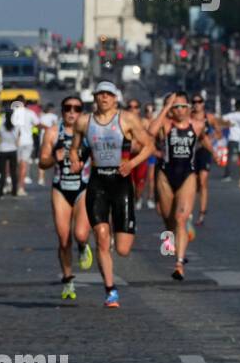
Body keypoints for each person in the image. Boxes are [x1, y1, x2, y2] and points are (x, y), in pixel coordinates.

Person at [69, 80, 153, 309]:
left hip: (122, 182)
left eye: (108, 94)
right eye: (100, 94)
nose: (104, 98)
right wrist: (75, 161)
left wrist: (132, 164)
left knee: (124, 249)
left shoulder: (127, 119)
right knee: (102, 237)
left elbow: (149, 145)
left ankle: (129, 239)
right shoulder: (84, 121)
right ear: (95, 97)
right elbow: (74, 148)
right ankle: (110, 290)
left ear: (115, 98)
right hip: (98, 181)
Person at [147, 91, 213, 281]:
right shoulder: (166, 126)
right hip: (166, 175)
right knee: (168, 218)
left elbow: (204, 140)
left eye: (184, 106)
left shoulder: (198, 125)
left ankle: (179, 263)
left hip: (187, 175)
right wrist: (165, 107)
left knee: (181, 218)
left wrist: (214, 153)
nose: (180, 110)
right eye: (176, 107)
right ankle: (169, 236)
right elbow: (151, 132)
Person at [38, 94, 92, 300]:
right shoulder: (53, 133)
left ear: (82, 112)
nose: (71, 112)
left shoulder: (89, 132)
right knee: (63, 239)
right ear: (62, 111)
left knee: (79, 233)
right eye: (67, 108)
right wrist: (54, 158)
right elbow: (42, 162)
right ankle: (68, 280)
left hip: (83, 187)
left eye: (76, 109)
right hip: (61, 188)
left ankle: (83, 246)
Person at [189, 94, 220, 225]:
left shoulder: (209, 117)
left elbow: (218, 132)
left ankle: (202, 213)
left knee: (202, 181)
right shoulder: (188, 117)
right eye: (194, 102)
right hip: (191, 151)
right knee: (193, 183)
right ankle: (189, 210)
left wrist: (211, 140)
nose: (197, 104)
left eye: (199, 101)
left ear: (203, 103)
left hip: (204, 150)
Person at [9, 95, 34, 195]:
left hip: (14, 142)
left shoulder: (11, 114)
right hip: (27, 141)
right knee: (23, 166)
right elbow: (37, 123)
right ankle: (21, 188)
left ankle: (12, 186)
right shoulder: (30, 113)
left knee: (14, 165)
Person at [0, 99, 19, 197]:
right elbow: (17, 140)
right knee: (13, 171)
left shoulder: (1, 125)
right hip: (13, 149)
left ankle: (1, 191)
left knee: (3, 172)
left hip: (3, 150)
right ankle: (14, 190)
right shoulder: (16, 126)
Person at [35, 102, 58, 185]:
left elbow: (38, 125)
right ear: (52, 110)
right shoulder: (54, 117)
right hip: (53, 140)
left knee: (43, 158)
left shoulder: (42, 117)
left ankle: (41, 178)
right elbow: (56, 127)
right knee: (56, 158)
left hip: (43, 139)